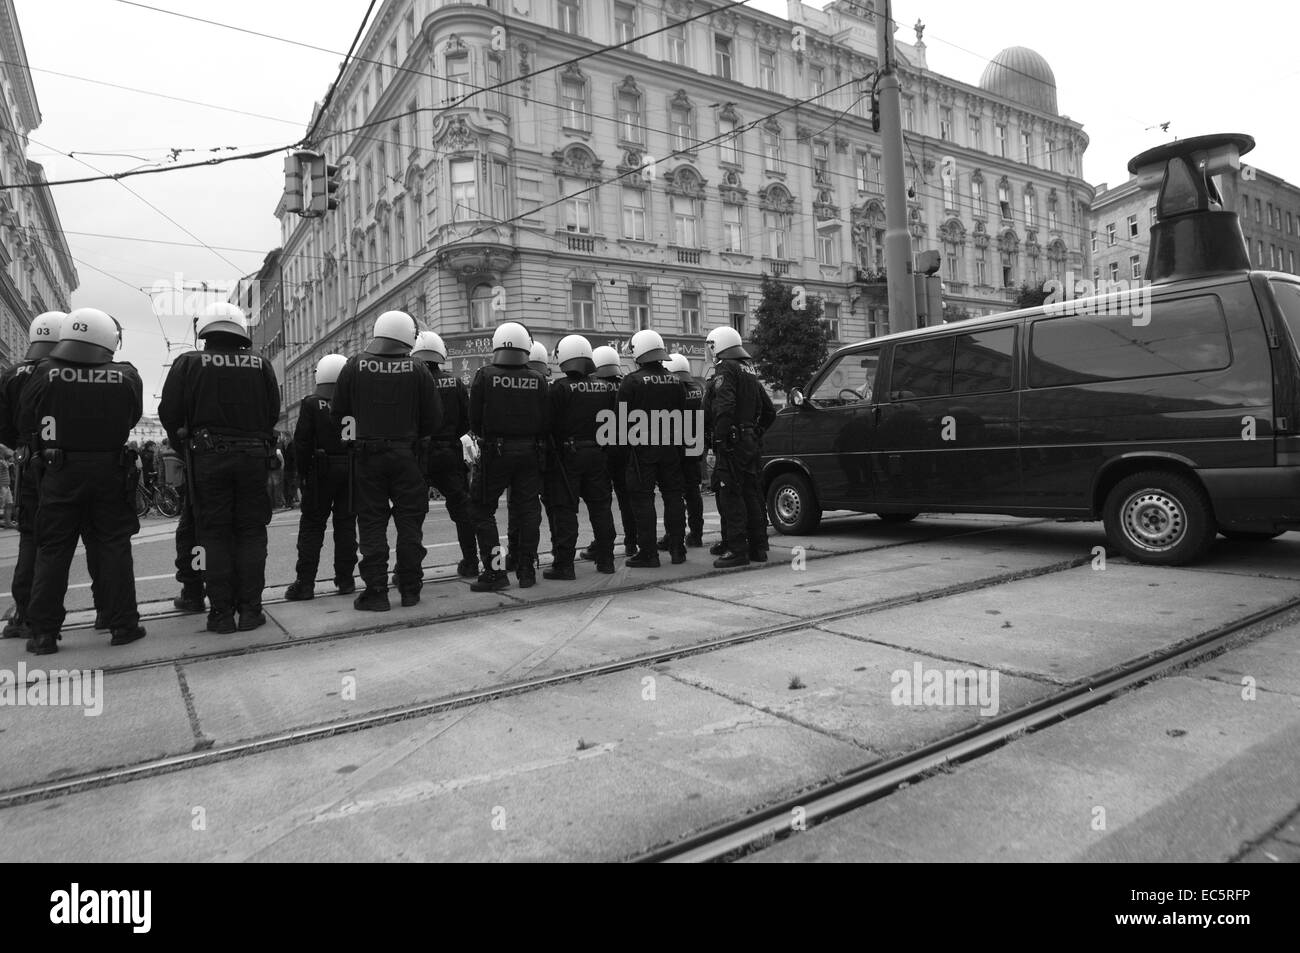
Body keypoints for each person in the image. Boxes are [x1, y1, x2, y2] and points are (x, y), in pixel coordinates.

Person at [19, 308, 144, 654]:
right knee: (113, 546)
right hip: (109, 472)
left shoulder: (45, 372)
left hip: (58, 472)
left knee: (53, 550)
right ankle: (121, 623)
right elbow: (131, 417)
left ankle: (43, 633)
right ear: (107, 340)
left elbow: (25, 418)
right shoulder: (127, 375)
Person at [158, 301, 279, 633]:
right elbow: (272, 412)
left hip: (208, 458)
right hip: (253, 458)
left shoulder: (188, 363)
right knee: (252, 532)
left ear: (205, 332)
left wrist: (187, 446)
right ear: (240, 331)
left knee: (213, 535)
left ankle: (221, 614)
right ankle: (251, 611)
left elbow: (170, 413)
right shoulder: (260, 364)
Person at [331, 310, 441, 611]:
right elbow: (433, 419)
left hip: (366, 457)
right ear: (407, 336)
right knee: (409, 524)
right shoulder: (418, 369)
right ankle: (409, 588)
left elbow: (339, 414)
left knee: (371, 523)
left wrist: (353, 439)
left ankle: (376, 591)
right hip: (407, 456)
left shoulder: (354, 365)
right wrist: (413, 438)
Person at [467, 321, 548, 592]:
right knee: (527, 511)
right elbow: (546, 419)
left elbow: (474, 419)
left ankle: (496, 571)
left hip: (495, 452)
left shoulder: (485, 375)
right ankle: (526, 570)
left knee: (482, 509)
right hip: (529, 453)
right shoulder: (538, 379)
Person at [285, 354, 357, 600]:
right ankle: (346, 580)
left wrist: (302, 475)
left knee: (312, 528)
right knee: (346, 527)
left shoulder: (311, 404)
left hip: (320, 472)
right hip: (349, 471)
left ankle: (305, 584)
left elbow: (301, 443)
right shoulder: (353, 404)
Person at [545, 334, 617, 578]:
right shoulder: (605, 387)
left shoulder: (559, 388)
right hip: (598, 453)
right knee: (601, 508)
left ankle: (565, 565)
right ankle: (606, 560)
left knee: (565, 510)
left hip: (568, 455)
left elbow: (549, 425)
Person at [706, 326, 776, 568]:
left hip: (732, 443)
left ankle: (737, 550)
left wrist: (720, 440)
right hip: (749, 443)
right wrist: (754, 432)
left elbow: (724, 407)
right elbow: (769, 411)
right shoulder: (749, 370)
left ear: (718, 346)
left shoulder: (725, 368)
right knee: (752, 494)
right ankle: (759, 548)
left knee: (731, 496)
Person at [411, 331, 479, 579]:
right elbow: (466, 421)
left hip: (418, 455)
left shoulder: (412, 382)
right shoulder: (455, 382)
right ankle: (471, 562)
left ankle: (408, 571)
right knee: (463, 511)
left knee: (412, 514)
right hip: (450, 453)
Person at [619, 329, 687, 567]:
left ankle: (648, 553)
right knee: (673, 496)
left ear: (638, 352)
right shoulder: (676, 380)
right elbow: (684, 416)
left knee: (642, 500)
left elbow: (620, 420)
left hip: (642, 449)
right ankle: (678, 549)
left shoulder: (632, 381)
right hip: (671, 447)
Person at [579, 345, 636, 561]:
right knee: (627, 499)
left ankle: (602, 544)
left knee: (601, 502)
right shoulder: (625, 384)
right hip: (626, 449)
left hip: (601, 451)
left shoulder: (594, 387)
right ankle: (631, 543)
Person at [507, 341, 554, 574]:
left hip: (509, 453)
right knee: (538, 510)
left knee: (516, 508)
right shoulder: (548, 385)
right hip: (544, 456)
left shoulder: (506, 381)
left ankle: (510, 559)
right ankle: (531, 564)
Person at [657, 353, 705, 551]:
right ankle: (696, 534)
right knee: (693, 492)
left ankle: (672, 535)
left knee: (674, 495)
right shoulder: (697, 388)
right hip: (695, 445)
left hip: (676, 447)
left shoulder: (672, 390)